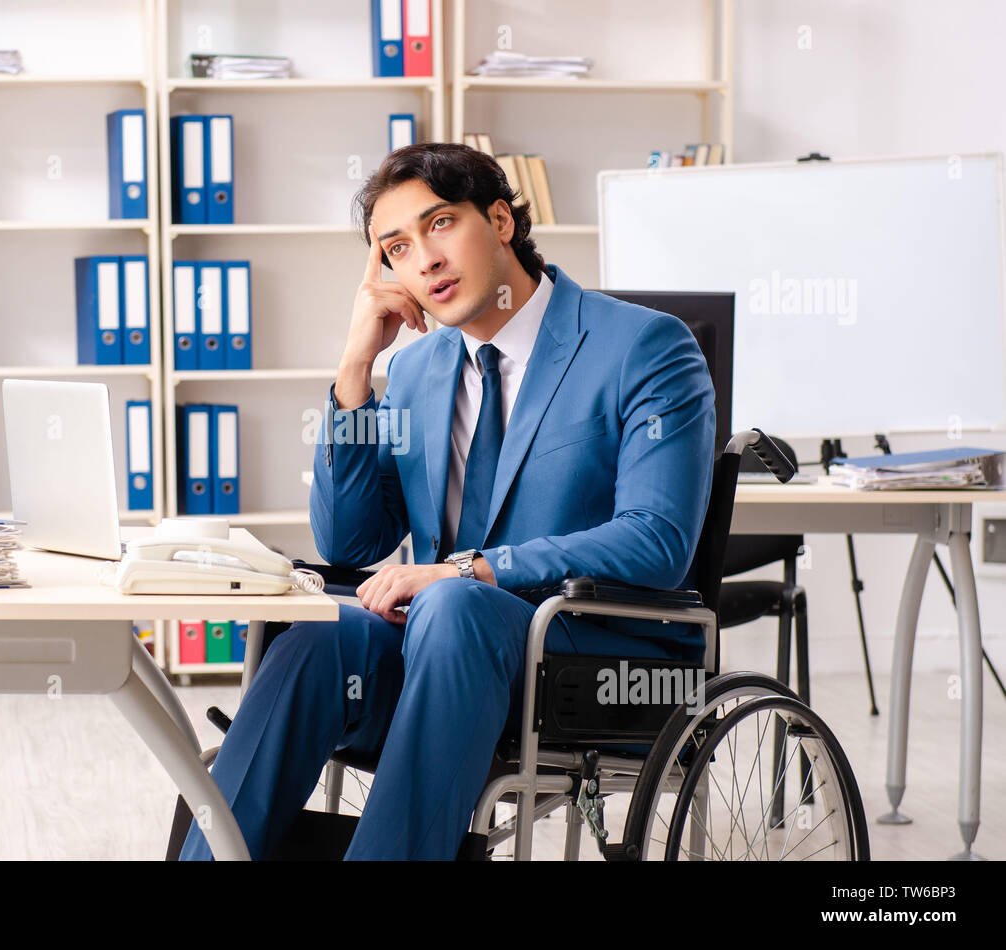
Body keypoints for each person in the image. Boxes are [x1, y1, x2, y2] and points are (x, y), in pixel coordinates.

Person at [179, 142, 715, 860]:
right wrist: (354, 376)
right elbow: (351, 544)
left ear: (499, 220)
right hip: (443, 653)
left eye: (438, 225)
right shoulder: (416, 370)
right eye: (396, 247)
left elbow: (655, 542)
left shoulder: (644, 347)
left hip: (592, 655)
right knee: (316, 634)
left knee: (453, 603)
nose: (423, 260)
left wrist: (467, 572)